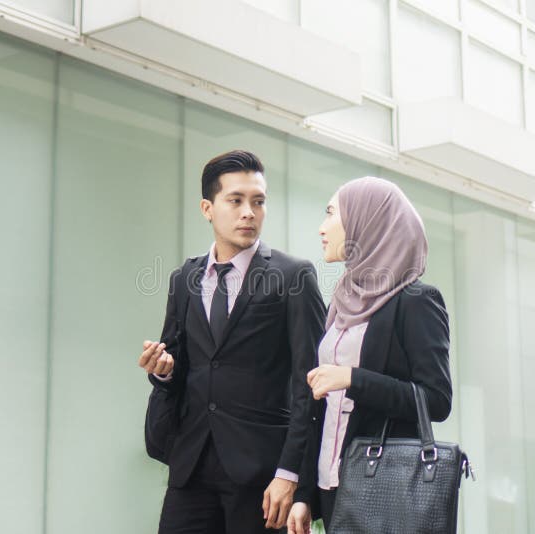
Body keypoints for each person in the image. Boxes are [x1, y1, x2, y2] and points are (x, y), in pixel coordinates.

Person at [138, 150, 326, 533]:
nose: (249, 212)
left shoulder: (294, 275)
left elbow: (310, 383)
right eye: (235, 200)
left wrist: (290, 473)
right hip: (191, 467)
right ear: (208, 208)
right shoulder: (184, 278)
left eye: (258, 201)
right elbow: (180, 362)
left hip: (262, 475)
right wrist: (162, 371)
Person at [286, 177, 453, 533]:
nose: (322, 227)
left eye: (332, 213)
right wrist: (304, 494)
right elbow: (322, 409)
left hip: (382, 487)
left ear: (367, 221)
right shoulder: (343, 300)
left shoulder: (416, 301)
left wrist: (352, 379)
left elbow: (436, 400)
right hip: (332, 485)